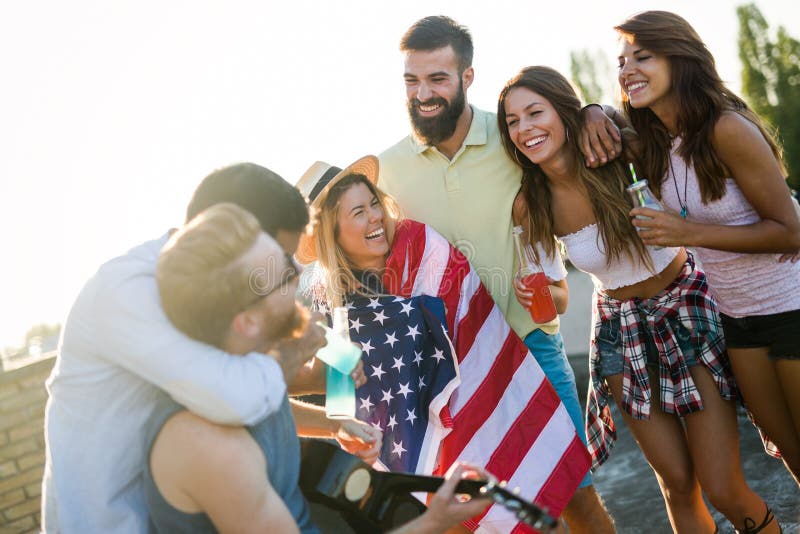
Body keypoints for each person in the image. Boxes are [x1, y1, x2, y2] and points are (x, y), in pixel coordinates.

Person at [498, 65, 780, 534]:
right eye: (512, 121)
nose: (525, 128)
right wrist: (539, 294)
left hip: (684, 309)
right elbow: (557, 297)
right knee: (675, 483)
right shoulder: (532, 202)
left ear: (564, 112)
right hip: (619, 330)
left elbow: (642, 122)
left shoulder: (613, 148)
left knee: (723, 484)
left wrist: (597, 110)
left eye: (535, 112)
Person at [378, 15, 616, 533]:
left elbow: (569, 130)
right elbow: (342, 247)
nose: (423, 94)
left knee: (576, 501)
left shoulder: (514, 139)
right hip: (456, 377)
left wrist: (596, 109)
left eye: (438, 79)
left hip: (534, 348)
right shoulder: (385, 170)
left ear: (466, 78)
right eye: (411, 80)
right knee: (496, 521)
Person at [41, 162, 352, 533]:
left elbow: (248, 386)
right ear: (233, 233)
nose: (287, 273)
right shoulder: (128, 292)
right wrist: (297, 352)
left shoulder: (214, 293)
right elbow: (235, 396)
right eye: (277, 258)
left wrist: (327, 403)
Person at [150, 201, 494, 533]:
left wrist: (334, 423)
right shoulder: (211, 449)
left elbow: (264, 398)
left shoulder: (220, 374)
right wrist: (435, 523)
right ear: (246, 321)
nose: (301, 275)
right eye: (282, 275)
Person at [295, 155, 591, 531]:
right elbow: (343, 394)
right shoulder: (332, 307)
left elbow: (471, 317)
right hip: (424, 448)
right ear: (331, 233)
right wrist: (352, 431)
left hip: (486, 410)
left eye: (373, 203)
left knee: (545, 523)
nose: (374, 217)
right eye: (358, 212)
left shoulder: (421, 246)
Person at [615, 10, 800, 500]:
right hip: (736, 322)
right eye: (621, 60)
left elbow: (791, 231)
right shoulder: (657, 144)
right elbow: (602, 122)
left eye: (642, 56)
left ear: (681, 58)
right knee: (791, 455)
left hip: (792, 309)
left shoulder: (726, 128)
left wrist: (685, 231)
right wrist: (593, 109)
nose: (627, 68)